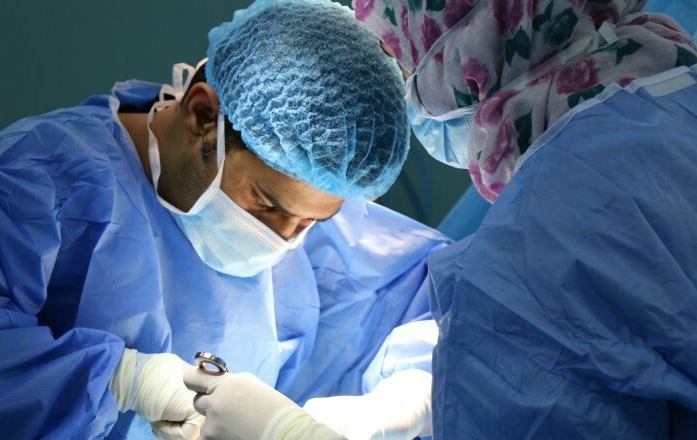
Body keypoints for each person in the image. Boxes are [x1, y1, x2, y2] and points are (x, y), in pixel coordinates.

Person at [185, 0, 697, 438]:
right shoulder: (676, 102)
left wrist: (295, 432)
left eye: (400, 65)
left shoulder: (550, 226)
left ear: (463, 62)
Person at [0, 0, 449, 438]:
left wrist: (395, 407)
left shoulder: (311, 192)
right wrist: (124, 381)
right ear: (201, 116)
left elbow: (439, 308)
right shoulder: (28, 187)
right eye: (266, 205)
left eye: (309, 224)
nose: (283, 240)